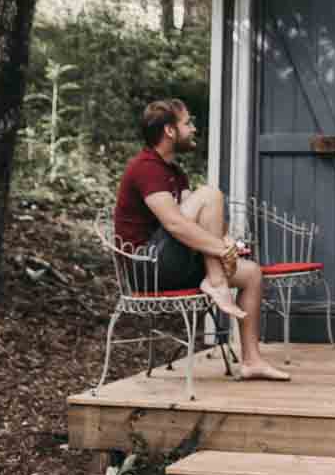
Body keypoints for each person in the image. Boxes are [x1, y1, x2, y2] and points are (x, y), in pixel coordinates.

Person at [114, 98, 289, 382]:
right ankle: (216, 282)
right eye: (188, 123)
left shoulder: (175, 173)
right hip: (147, 267)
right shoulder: (144, 167)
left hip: (171, 260)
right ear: (170, 131)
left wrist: (228, 242)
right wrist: (221, 248)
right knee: (210, 194)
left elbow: (196, 219)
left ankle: (251, 361)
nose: (194, 128)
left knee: (252, 274)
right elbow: (175, 223)